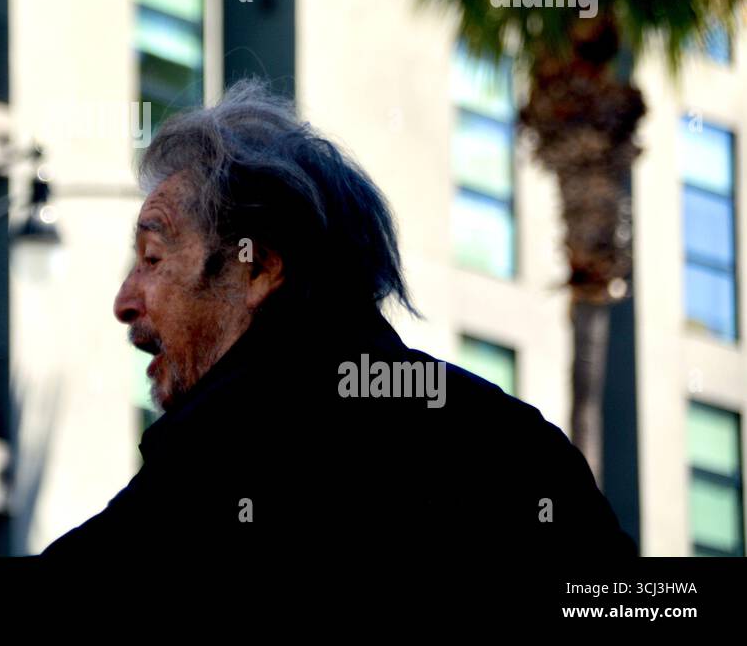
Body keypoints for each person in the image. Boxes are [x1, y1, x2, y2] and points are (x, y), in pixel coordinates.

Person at [38, 77, 636, 559]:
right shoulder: (515, 446)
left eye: (152, 258)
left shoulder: (214, 469)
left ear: (258, 269)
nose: (125, 301)